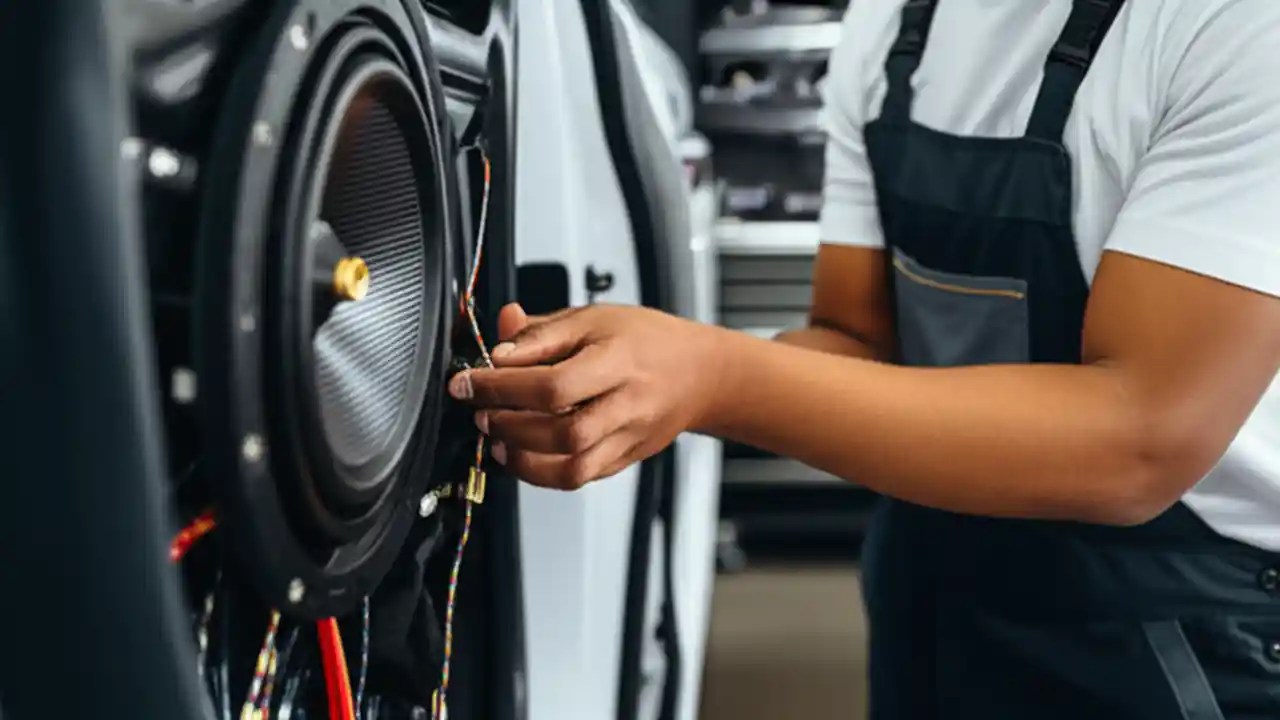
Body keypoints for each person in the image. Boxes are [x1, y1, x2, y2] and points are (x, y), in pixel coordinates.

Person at [452, 0, 1280, 716]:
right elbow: (853, 339)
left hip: (1173, 628)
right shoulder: (895, 25)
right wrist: (634, 374)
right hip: (937, 587)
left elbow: (1139, 440)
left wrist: (711, 375)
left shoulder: (1235, 26)